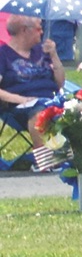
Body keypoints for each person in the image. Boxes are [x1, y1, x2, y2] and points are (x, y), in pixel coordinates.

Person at [0, 14, 64, 159]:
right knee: (39, 113)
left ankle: (78, 158)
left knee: (81, 110)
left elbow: (60, 83)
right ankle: (47, 160)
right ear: (24, 30)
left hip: (51, 100)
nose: (42, 32)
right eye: (38, 28)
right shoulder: (3, 55)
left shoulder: (43, 51)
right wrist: (21, 99)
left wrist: (54, 55)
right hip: (20, 107)